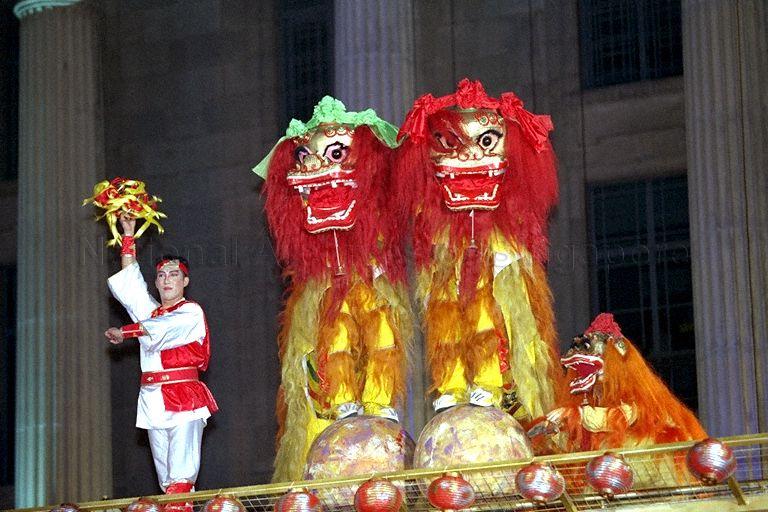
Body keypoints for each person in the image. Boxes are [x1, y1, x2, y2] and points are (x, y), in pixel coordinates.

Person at [105, 213, 217, 497]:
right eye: (161, 275)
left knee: (181, 477)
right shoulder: (151, 313)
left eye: (174, 274)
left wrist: (127, 332)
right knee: (166, 482)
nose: (167, 280)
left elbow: (164, 328)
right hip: (153, 397)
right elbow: (131, 287)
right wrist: (128, 234)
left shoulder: (191, 311)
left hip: (183, 396)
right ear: (156, 282)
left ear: (186, 280)